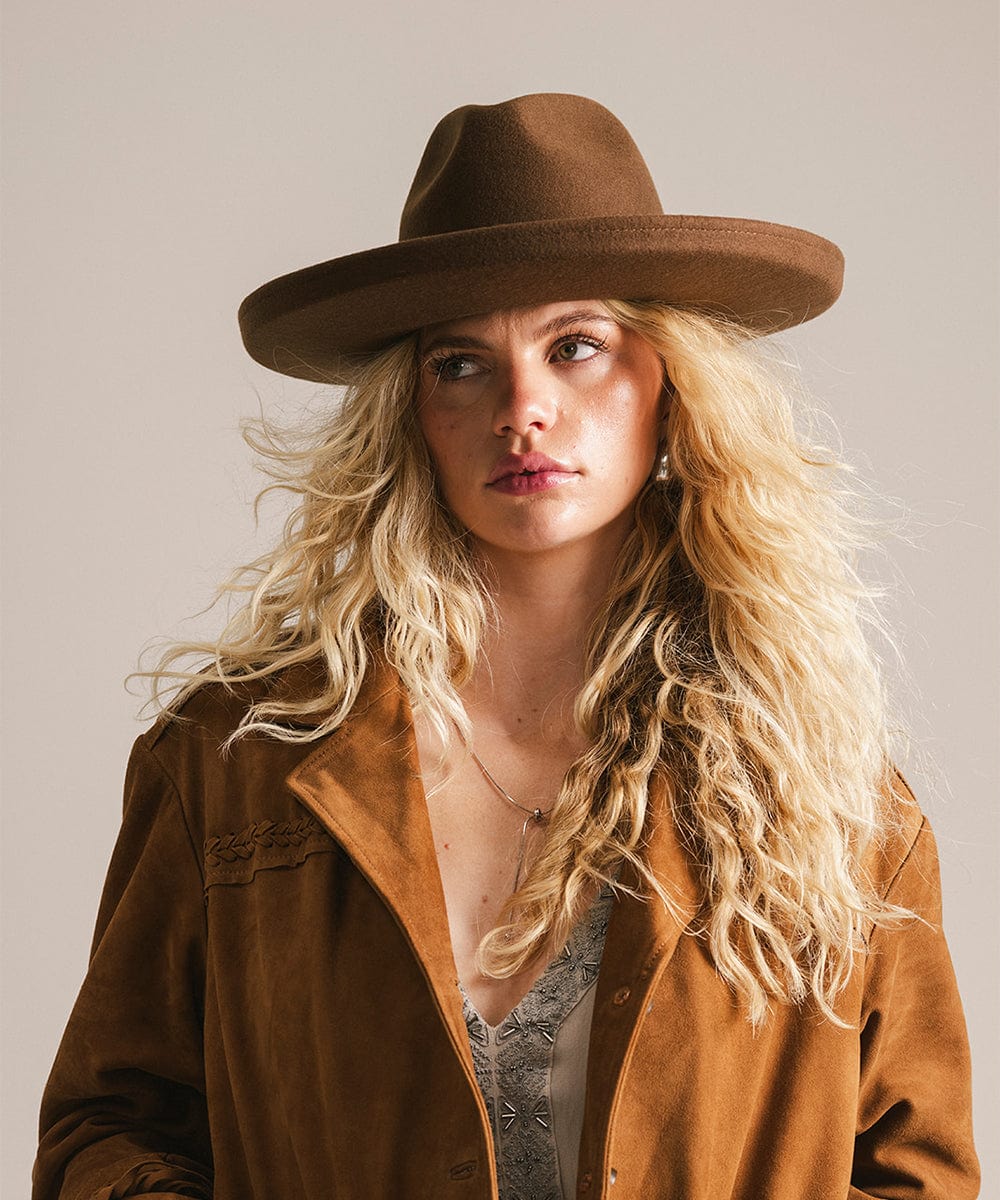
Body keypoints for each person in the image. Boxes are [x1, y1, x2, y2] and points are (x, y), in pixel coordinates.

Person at [33, 93, 978, 1200]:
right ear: (411, 413)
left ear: (668, 383)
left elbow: (913, 1169)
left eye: (575, 347)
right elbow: (106, 1129)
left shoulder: (828, 800)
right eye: (460, 364)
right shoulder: (233, 766)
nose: (523, 407)